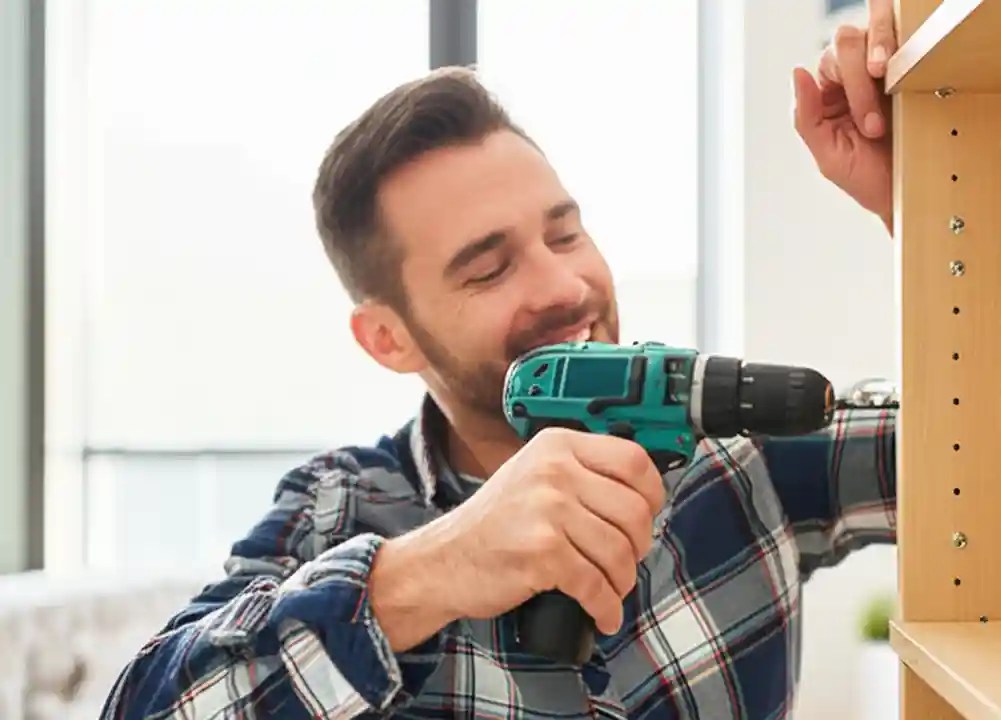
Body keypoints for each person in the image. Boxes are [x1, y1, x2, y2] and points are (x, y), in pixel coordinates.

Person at [100, 6, 899, 719]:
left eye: (565, 234)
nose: (564, 285)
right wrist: (433, 572)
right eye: (487, 270)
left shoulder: (730, 454)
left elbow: (988, 439)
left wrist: (922, 204)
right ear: (388, 339)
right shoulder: (335, 513)